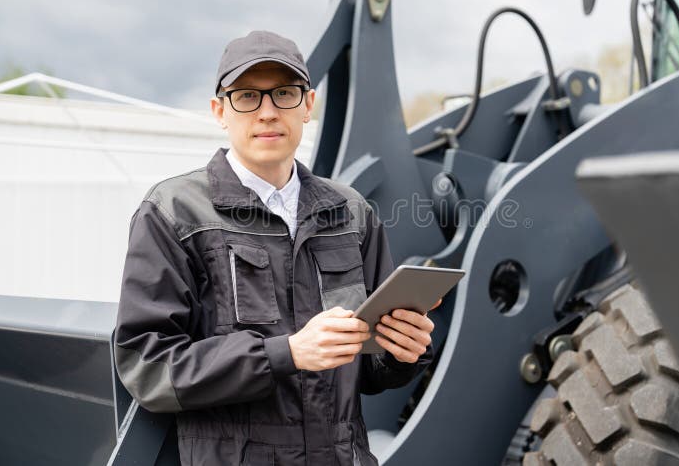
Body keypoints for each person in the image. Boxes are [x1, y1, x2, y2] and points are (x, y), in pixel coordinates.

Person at [113, 30, 437, 466]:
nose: (267, 112)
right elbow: (148, 366)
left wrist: (402, 352)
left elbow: (370, 371)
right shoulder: (173, 212)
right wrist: (286, 353)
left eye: (284, 94)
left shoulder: (351, 214)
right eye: (247, 96)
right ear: (219, 111)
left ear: (307, 105)